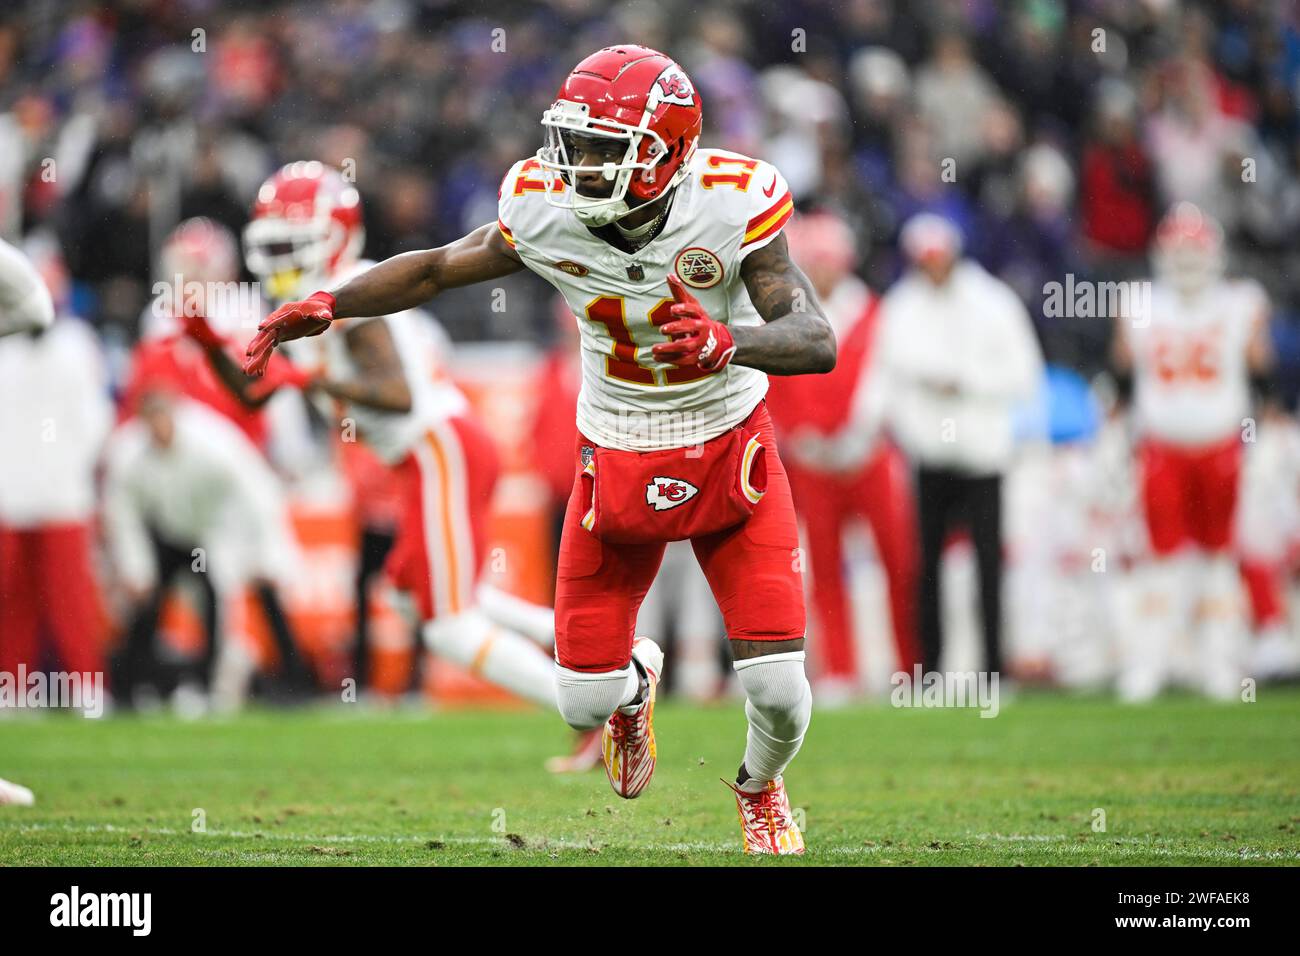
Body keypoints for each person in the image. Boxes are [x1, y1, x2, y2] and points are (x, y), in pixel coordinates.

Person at [241, 46, 836, 854]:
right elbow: (437, 270)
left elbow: (815, 338)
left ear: (663, 152)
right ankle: (633, 688)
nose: (581, 166)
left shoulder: (733, 203)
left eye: (603, 149)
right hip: (616, 449)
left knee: (779, 692)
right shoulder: (544, 206)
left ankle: (761, 788)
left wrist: (731, 341)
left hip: (728, 441)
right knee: (582, 702)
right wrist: (328, 303)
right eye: (577, 144)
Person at [194, 162, 561, 717]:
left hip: (440, 446)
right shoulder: (317, 301)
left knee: (449, 627)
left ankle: (590, 704)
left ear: (336, 236)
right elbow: (255, 393)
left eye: (296, 242)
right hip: (428, 454)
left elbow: (398, 395)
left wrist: (313, 378)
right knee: (416, 597)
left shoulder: (352, 297)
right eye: (277, 245)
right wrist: (205, 346)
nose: (284, 258)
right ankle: (600, 652)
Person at [1112, 202, 1274, 700]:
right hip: (1162, 445)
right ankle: (1155, 663)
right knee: (1164, 560)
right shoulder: (1139, 301)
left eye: (1192, 251)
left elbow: (1261, 365)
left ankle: (1218, 663)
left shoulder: (1241, 301)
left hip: (1220, 443)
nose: (1185, 261)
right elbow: (1121, 366)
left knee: (1218, 558)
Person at [877, 212, 1043, 677]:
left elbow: (1023, 375)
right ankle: (931, 670)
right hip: (929, 456)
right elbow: (884, 379)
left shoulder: (992, 302)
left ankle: (994, 668)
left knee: (989, 567)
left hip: (983, 453)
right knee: (925, 568)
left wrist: (964, 381)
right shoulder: (902, 306)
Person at [766, 211, 919, 700]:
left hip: (868, 456)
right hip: (814, 461)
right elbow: (780, 383)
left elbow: (885, 377)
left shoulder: (872, 311)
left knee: (898, 562)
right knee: (825, 568)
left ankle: (908, 666)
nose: (823, 272)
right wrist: (799, 435)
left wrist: (861, 430)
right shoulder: (792, 314)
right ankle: (840, 670)